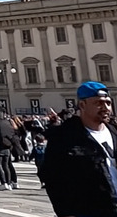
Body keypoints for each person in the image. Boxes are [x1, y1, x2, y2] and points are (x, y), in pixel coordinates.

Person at [41, 81, 117, 217]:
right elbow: (53, 178)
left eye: (108, 103)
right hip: (89, 210)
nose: (105, 108)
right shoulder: (64, 138)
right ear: (82, 105)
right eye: (98, 103)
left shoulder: (114, 132)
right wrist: (66, 212)